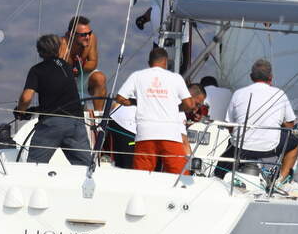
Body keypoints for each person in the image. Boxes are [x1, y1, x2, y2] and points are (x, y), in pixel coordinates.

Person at [14, 34, 95, 167]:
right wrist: (35, 110)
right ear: (58, 50)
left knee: (34, 167)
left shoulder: (37, 70)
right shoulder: (68, 68)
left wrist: (21, 111)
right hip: (76, 123)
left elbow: (26, 97)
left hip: (51, 125)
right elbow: (59, 98)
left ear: (40, 52)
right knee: (86, 168)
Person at [114, 46, 195, 173]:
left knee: (141, 176)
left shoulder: (137, 76)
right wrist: (177, 108)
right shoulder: (176, 78)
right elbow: (190, 105)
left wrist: (136, 102)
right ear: (166, 62)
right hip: (170, 135)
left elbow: (119, 98)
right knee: (180, 177)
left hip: (145, 134)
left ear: (149, 63)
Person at [225, 58, 298, 183]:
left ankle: (221, 175)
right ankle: (280, 180)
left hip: (240, 147)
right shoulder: (280, 94)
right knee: (295, 142)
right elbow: (290, 126)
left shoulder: (238, 93)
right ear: (270, 78)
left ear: (251, 77)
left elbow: (230, 126)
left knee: (232, 142)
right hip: (270, 147)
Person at [62, 15, 108, 109]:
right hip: (66, 80)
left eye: (89, 33)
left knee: (100, 78)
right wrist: (74, 67)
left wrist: (80, 66)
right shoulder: (62, 44)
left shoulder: (91, 38)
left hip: (81, 74)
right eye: (83, 34)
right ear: (71, 34)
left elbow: (93, 63)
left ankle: (98, 115)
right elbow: (62, 68)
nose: (87, 37)